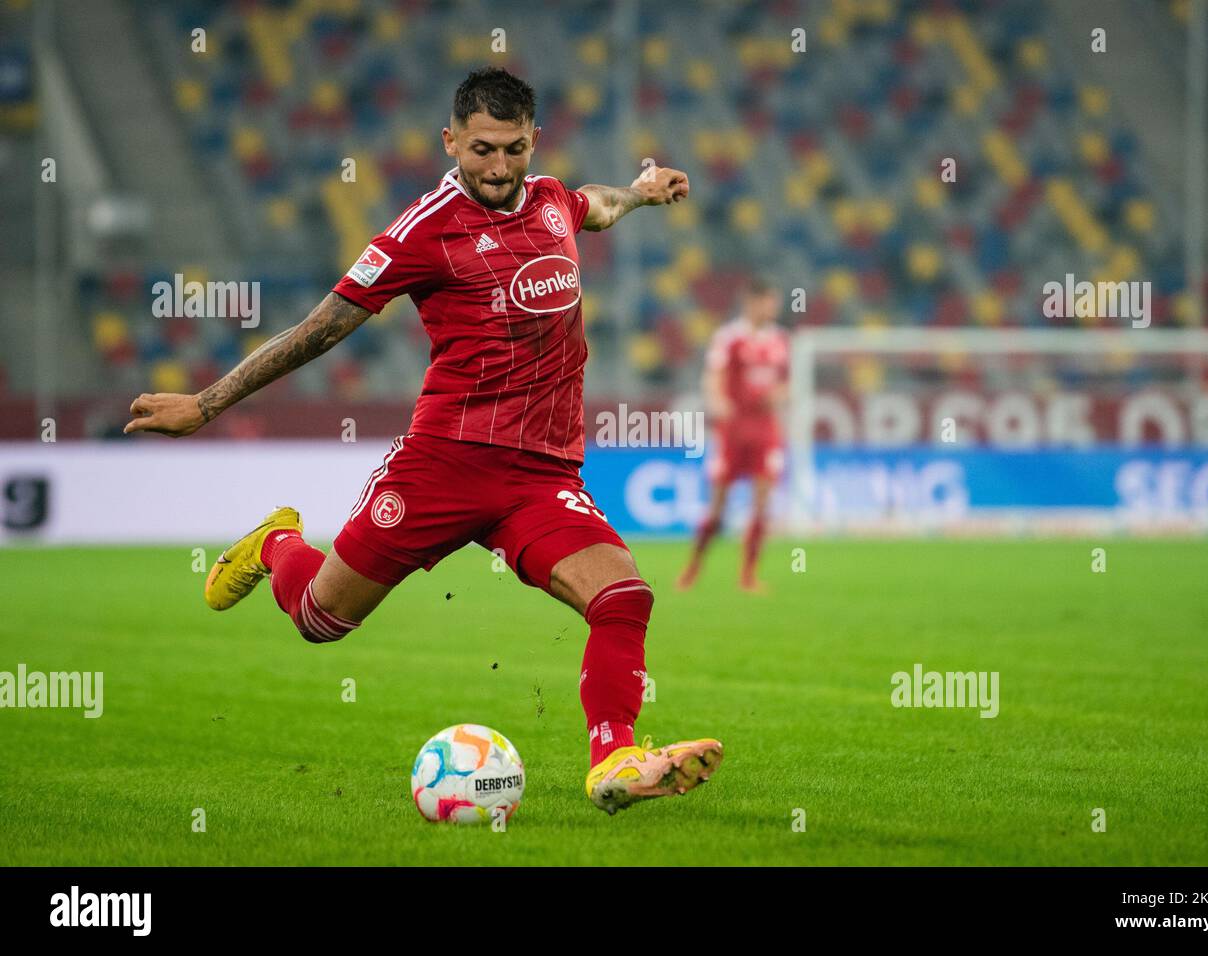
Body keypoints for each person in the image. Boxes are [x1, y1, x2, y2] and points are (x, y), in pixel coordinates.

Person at [123, 67, 721, 816]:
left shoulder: (550, 202)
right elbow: (317, 332)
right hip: (443, 464)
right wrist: (205, 405)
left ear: (533, 140)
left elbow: (593, 206)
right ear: (450, 141)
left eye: (512, 150)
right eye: (480, 150)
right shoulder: (421, 232)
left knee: (624, 594)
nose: (498, 168)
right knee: (319, 620)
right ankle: (276, 543)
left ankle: (616, 757)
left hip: (540, 473)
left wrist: (641, 191)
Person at [678, 278, 789, 593]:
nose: (773, 308)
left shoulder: (780, 339)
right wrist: (717, 401)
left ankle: (748, 575)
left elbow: (786, 382)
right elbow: (714, 375)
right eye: (768, 301)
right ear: (752, 302)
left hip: (766, 429)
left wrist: (779, 395)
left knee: (762, 503)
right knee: (718, 506)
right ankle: (693, 567)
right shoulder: (729, 338)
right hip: (733, 429)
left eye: (775, 302)